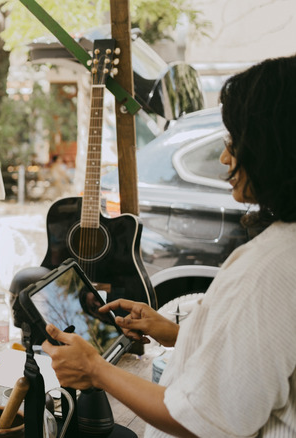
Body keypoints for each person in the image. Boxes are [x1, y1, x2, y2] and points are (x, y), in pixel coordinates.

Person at [42, 54, 296, 437]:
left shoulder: (271, 268)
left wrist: (96, 368)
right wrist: (176, 332)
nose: (225, 157)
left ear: (272, 148)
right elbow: (261, 355)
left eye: (233, 141)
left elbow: (201, 420)